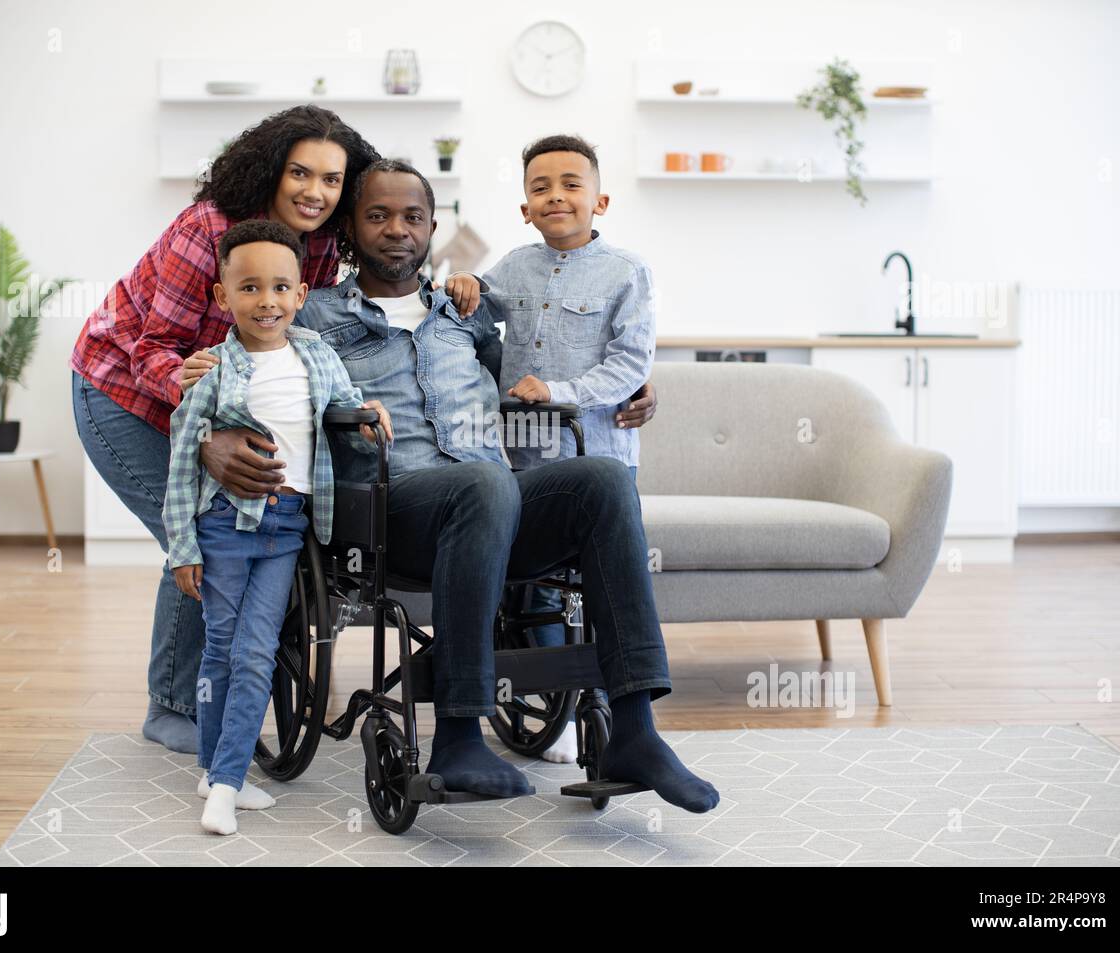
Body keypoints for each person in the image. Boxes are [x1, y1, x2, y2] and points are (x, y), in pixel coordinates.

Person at [196, 159, 719, 813]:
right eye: (378, 216)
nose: (397, 230)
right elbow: (250, 373)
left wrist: (634, 386)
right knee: (483, 485)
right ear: (352, 232)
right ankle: (459, 735)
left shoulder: (465, 312)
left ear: (433, 227)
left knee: (604, 480)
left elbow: (536, 368)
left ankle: (635, 733)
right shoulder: (313, 312)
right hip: (390, 516)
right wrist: (204, 414)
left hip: (491, 499)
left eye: (413, 216)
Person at [70, 105, 380, 753]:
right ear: (271, 168)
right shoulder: (207, 230)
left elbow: (289, 341)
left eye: (331, 180)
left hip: (220, 403)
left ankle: (241, 685)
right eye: (300, 173)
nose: (314, 193)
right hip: (123, 392)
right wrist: (208, 433)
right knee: (206, 543)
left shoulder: (319, 243)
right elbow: (154, 348)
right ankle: (173, 708)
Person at [162, 220, 391, 834]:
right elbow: (185, 461)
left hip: (289, 525)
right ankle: (218, 776)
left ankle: (225, 777)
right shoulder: (213, 369)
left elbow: (343, 404)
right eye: (250, 288)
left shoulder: (316, 352)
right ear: (222, 296)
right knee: (221, 651)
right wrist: (182, 548)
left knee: (256, 650)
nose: (266, 301)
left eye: (280, 288)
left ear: (298, 295)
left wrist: (369, 409)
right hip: (225, 525)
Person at [443, 133, 655, 764]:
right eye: (540, 188)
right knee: (529, 595)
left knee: (590, 593)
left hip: (598, 457)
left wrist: (558, 389)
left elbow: (630, 362)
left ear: (601, 199)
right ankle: (543, 714)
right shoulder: (512, 266)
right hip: (521, 460)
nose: (556, 196)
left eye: (571, 184)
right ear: (524, 208)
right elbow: (474, 313)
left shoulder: (628, 273)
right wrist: (462, 285)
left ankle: (605, 710)